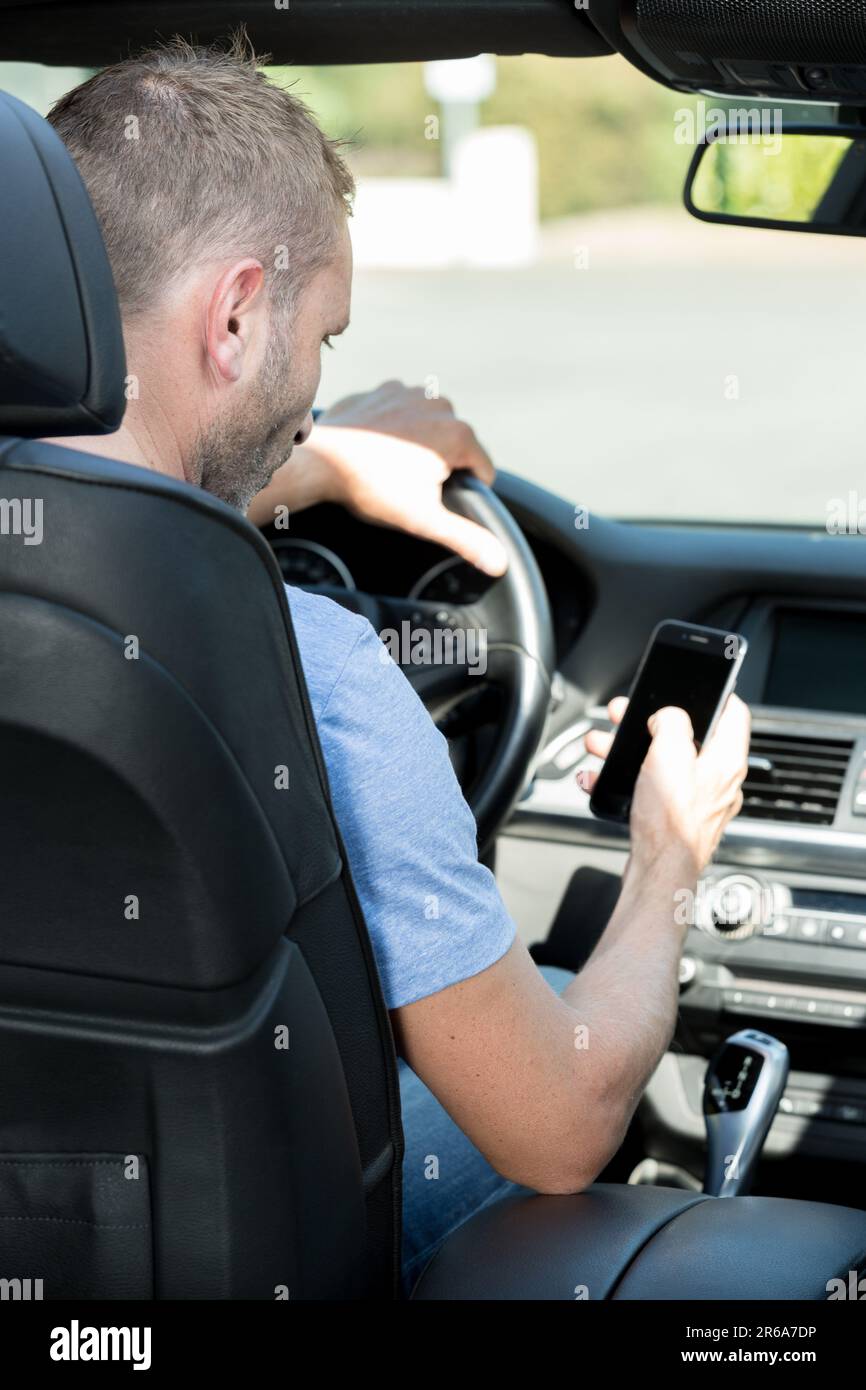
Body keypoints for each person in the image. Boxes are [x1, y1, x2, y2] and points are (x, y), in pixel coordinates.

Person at [44, 36, 750, 1293]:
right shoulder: (308, 666)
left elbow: (108, 504)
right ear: (237, 313)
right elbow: (557, 1123)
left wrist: (313, 465)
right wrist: (666, 857)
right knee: (552, 1033)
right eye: (318, 340)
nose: (312, 394)